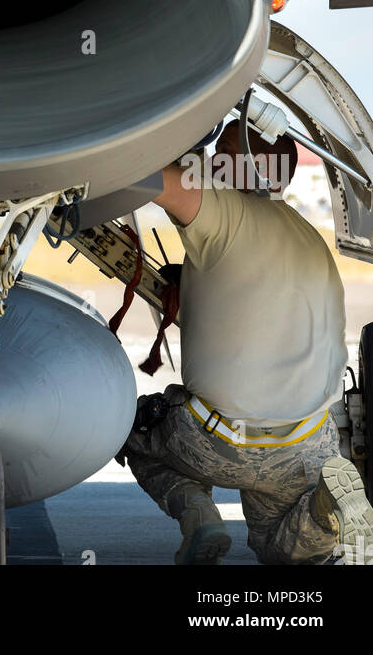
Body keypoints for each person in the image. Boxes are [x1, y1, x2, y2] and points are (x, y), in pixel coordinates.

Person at [123, 118, 373, 566]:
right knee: (276, 551)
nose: (211, 159)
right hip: (306, 446)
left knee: (131, 434)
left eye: (223, 150)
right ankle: (326, 510)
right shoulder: (307, 238)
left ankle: (198, 515)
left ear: (246, 167)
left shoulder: (223, 213)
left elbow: (149, 177)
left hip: (218, 442)